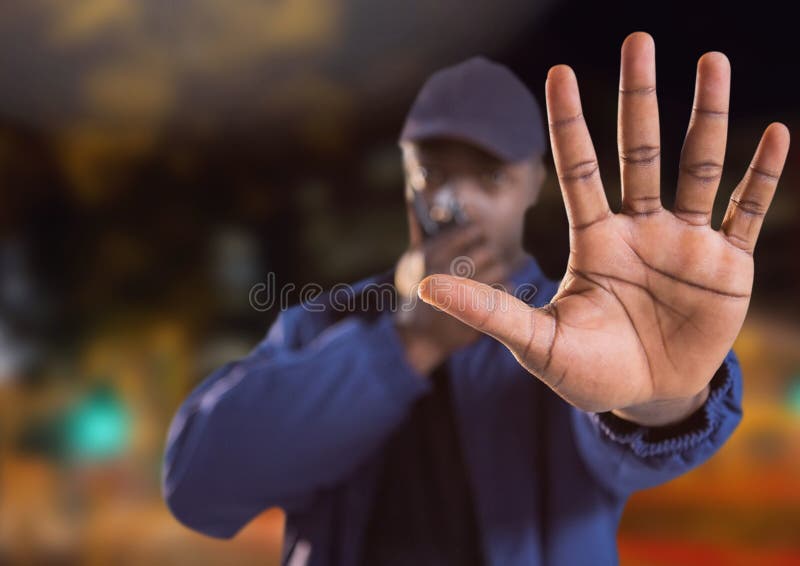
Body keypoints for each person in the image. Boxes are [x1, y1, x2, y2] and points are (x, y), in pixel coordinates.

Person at [161, 32, 790, 565]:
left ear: (530, 186)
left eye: (489, 175)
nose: (454, 203)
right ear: (405, 181)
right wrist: (408, 340)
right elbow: (200, 485)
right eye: (433, 173)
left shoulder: (580, 321)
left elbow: (625, 456)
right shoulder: (323, 322)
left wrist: (660, 396)